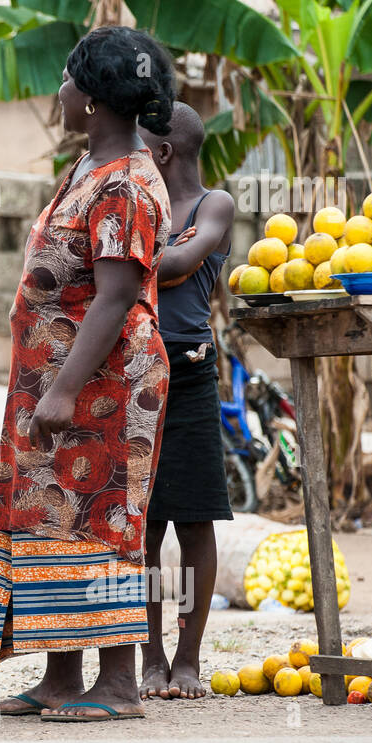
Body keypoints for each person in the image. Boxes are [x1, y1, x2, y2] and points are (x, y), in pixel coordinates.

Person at [0, 26, 176, 722]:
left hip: (105, 385)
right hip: (58, 379)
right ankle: (63, 673)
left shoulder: (123, 182)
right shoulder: (90, 168)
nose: (58, 91)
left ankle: (118, 681)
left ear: (91, 98)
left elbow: (118, 294)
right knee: (52, 515)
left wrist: (62, 386)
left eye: (67, 80)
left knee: (104, 518)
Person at [136, 102, 236, 700]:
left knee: (196, 522)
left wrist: (128, 259)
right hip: (136, 375)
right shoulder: (145, 207)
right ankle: (151, 659)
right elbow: (166, 260)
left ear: (164, 152)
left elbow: (173, 265)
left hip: (191, 375)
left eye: (139, 145)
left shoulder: (212, 205)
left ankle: (189, 659)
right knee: (143, 526)